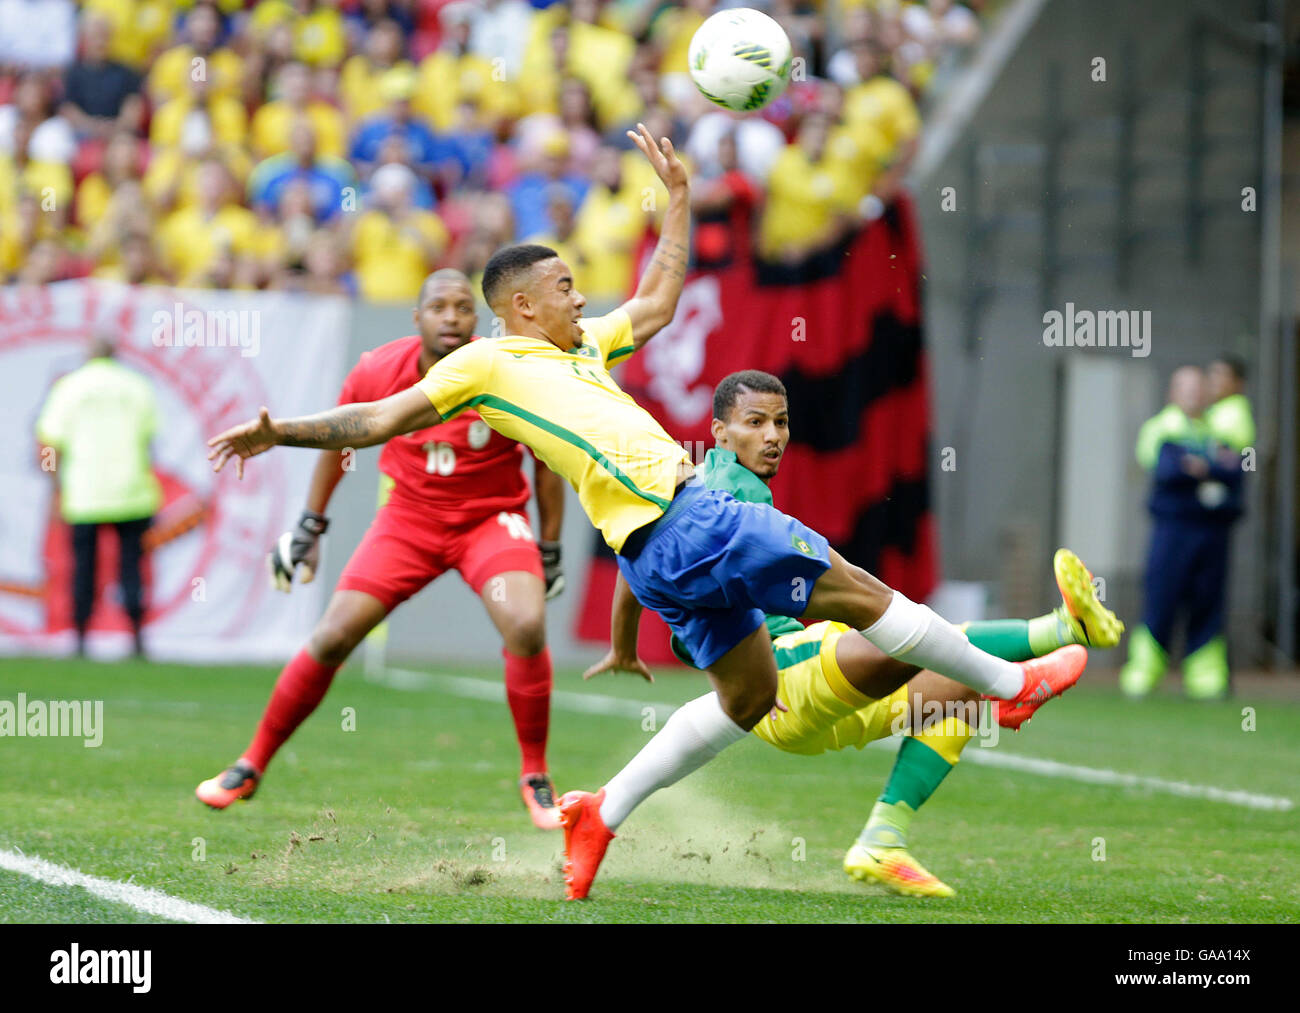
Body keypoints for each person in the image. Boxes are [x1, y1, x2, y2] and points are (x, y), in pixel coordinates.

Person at [206, 125, 1086, 901]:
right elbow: (377, 420)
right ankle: (1009, 688)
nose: (579, 296)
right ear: (520, 305)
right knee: (854, 589)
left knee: (750, 697)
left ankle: (601, 814)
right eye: (562, 285)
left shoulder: (584, 344)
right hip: (683, 518)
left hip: (655, 550)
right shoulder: (484, 364)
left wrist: (679, 201)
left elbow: (660, 300)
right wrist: (280, 430)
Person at [583, 369, 1121, 897]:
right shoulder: (728, 486)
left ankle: (883, 841)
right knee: (919, 639)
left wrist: (624, 646)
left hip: (791, 711)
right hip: (784, 672)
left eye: (781, 422)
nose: (773, 437)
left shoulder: (688, 499)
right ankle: (1055, 637)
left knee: (956, 696)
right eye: (755, 422)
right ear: (720, 434)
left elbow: (636, 564)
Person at [196, 270, 570, 829]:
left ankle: (535, 775)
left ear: (478, 319)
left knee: (525, 624)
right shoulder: (377, 369)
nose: (451, 317)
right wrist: (308, 528)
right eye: (438, 307)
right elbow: (337, 441)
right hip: (409, 523)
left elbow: (547, 463)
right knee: (331, 636)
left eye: (462, 308)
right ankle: (250, 764)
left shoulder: (500, 371)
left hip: (490, 521)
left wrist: (549, 547)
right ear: (415, 318)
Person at [1121, 365, 1249, 700]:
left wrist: (1202, 466)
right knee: (1162, 597)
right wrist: (1210, 468)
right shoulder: (1162, 427)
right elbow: (1167, 470)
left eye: (1199, 387)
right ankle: (1144, 672)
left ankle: (1205, 675)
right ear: (1172, 393)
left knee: (1208, 602)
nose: (1194, 393)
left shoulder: (1219, 429)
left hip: (1213, 532)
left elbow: (1236, 471)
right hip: (1173, 530)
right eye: (1186, 387)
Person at [35, 335, 160, 658]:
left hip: (83, 493)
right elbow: (149, 440)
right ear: (116, 352)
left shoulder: (69, 387)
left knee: (83, 569)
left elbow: (49, 444)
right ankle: (136, 638)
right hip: (133, 491)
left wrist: (54, 484)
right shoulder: (137, 386)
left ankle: (79, 639)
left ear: (89, 353)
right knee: (132, 567)